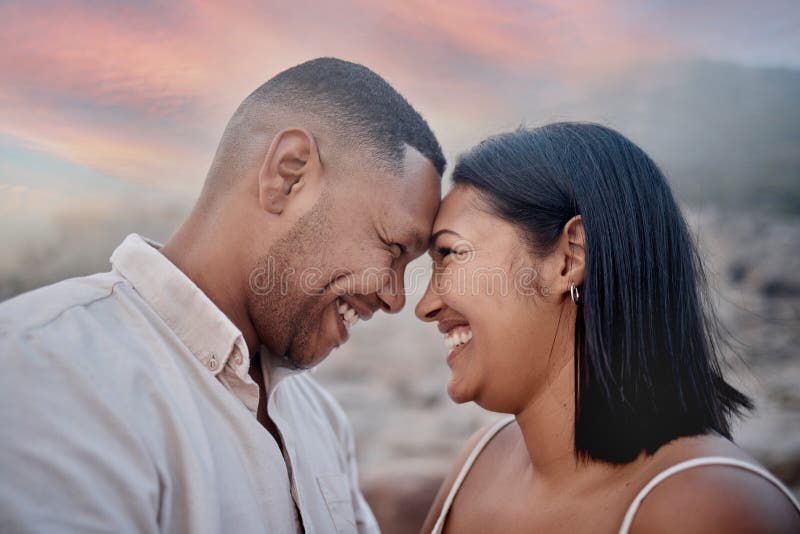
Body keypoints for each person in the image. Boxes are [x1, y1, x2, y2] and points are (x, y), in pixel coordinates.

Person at [0, 57, 445, 533]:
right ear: (288, 175)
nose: (396, 299)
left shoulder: (320, 419)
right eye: (394, 247)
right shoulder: (41, 366)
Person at [415, 123, 800, 533]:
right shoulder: (479, 462)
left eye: (450, 253)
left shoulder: (711, 507)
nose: (425, 305)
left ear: (569, 258)